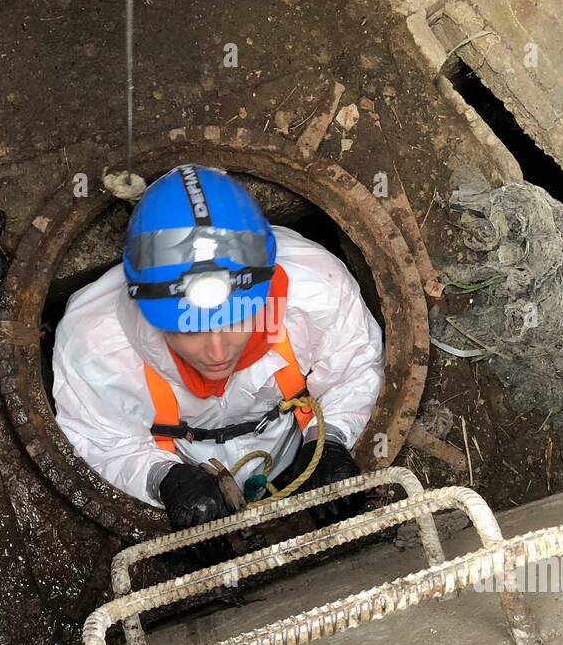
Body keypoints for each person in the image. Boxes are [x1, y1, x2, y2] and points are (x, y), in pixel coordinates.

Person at [52, 164, 384, 531]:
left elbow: (354, 367)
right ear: (146, 308)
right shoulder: (97, 343)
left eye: (235, 320)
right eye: (188, 329)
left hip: (290, 443)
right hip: (186, 462)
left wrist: (330, 438)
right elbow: (100, 439)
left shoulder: (316, 289)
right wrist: (164, 479)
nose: (217, 352)